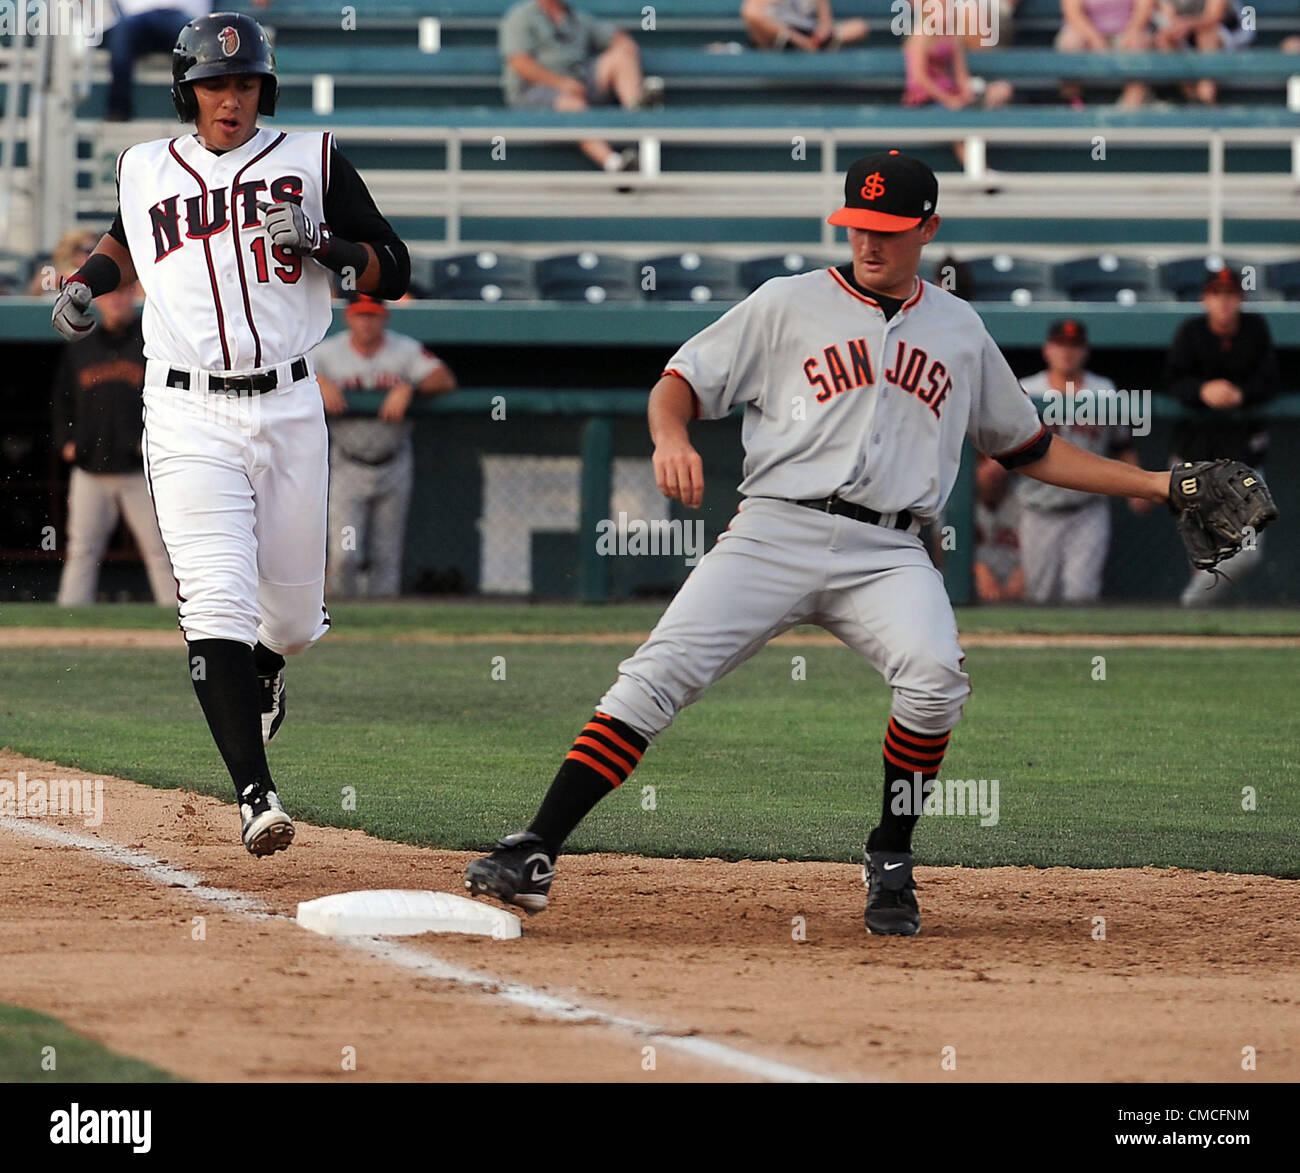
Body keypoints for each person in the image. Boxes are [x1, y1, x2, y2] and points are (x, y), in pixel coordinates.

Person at [465, 150, 1180, 937]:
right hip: (775, 526)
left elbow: (1029, 447)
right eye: (856, 226)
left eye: (888, 229)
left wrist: (1153, 485)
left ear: (929, 229)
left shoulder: (959, 328)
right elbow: (679, 382)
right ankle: (536, 848)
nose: (869, 243)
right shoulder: (786, 303)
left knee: (936, 678)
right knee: (656, 676)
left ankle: (891, 856)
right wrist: (672, 436)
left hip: (892, 548)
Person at [50, 11, 410, 856]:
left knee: (286, 620)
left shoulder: (311, 159)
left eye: (244, 82)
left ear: (264, 88)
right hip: (184, 409)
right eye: (215, 84)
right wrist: (85, 282)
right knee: (210, 595)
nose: (231, 98)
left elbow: (396, 266)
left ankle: (269, 668)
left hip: (288, 404)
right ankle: (256, 794)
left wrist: (329, 244)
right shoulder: (144, 167)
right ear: (187, 92)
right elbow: (126, 241)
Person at [314, 296, 457, 598]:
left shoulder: (403, 349)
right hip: (347, 462)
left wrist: (410, 386)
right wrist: (318, 381)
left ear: (384, 317)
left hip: (394, 461)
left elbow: (444, 379)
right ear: (349, 317)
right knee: (344, 554)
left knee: (386, 556)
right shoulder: (327, 352)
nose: (366, 322)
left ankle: (384, 624)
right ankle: (340, 620)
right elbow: (288, 376)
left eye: (373, 315)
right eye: (360, 315)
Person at [53, 283, 175, 606]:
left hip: (140, 471)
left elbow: (171, 399)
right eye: (111, 294)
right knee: (81, 550)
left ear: (134, 296)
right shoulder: (81, 345)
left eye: (123, 293)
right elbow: (61, 401)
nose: (117, 300)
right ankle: (70, 621)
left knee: (160, 549)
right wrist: (66, 441)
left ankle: (182, 621)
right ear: (101, 301)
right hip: (90, 468)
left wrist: (151, 441)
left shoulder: (152, 340)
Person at [1163, 267, 1280, 604]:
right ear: (1205, 299)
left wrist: (1241, 393)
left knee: (1247, 551)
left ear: (1240, 299)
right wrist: (1203, 390)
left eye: (1230, 294)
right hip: (1193, 458)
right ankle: (1198, 629)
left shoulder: (1255, 330)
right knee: (1203, 553)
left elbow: (1271, 381)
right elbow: (1173, 382)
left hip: (1244, 460)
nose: (1224, 302)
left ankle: (1190, 605)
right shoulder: (1191, 332)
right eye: (1217, 294)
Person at [1017, 319, 1148, 604]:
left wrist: (1140, 487)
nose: (1067, 352)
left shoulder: (1104, 390)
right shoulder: (1025, 389)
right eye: (1061, 344)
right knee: (1040, 596)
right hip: (1037, 508)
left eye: (1074, 345)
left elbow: (1122, 444)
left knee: (1082, 593)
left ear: (1085, 351)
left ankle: (1081, 650)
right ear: (1047, 349)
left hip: (1088, 508)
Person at [499, 0, 663, 174]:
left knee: (623, 55)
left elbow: (614, 36)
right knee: (571, 104)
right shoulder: (521, 17)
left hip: (579, 82)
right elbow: (520, 63)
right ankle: (615, 163)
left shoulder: (576, 17)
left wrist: (624, 44)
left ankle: (636, 114)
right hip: (534, 91)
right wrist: (560, 83)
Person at [902, 0, 1012, 166]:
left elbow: (961, 74)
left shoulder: (953, 36)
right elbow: (920, 78)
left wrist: (966, 95)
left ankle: (979, 171)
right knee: (958, 125)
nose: (944, 13)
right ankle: (978, 171)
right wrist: (948, 100)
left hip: (949, 95)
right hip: (926, 99)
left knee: (981, 107)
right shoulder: (920, 36)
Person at [102, 2, 211, 122]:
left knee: (196, 39)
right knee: (121, 33)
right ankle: (118, 111)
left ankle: (193, 110)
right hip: (136, 17)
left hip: (182, 16)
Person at [1057, 0, 1155, 108]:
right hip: (1087, 33)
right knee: (1070, 42)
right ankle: (1075, 103)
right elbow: (1072, 11)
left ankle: (1130, 108)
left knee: (1139, 43)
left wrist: (1133, 30)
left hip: (1125, 33)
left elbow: (1145, 6)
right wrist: (1094, 38)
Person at [1152, 0, 1253, 105]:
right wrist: (1177, 27)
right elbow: (1170, 17)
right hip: (1189, 32)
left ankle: (1206, 97)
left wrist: (1187, 24)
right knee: (1164, 38)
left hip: (1228, 30)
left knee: (1206, 34)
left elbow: (1214, 16)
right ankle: (1192, 98)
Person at [973, 454, 1023, 603]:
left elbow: (1041, 546)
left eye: (997, 465)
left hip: (1019, 583)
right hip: (973, 585)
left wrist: (1025, 571)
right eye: (983, 464)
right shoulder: (955, 503)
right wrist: (977, 569)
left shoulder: (1026, 503)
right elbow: (945, 550)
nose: (991, 473)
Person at [740, 0, 870, 51]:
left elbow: (825, 22)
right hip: (780, 35)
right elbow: (750, 12)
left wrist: (824, 30)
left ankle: (820, 44)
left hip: (808, 32)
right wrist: (799, 40)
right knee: (753, 16)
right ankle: (800, 45)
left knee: (859, 27)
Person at [26, 229, 98, 296]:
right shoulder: (50, 273)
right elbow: (31, 298)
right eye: (88, 250)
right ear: (72, 252)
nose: (93, 254)